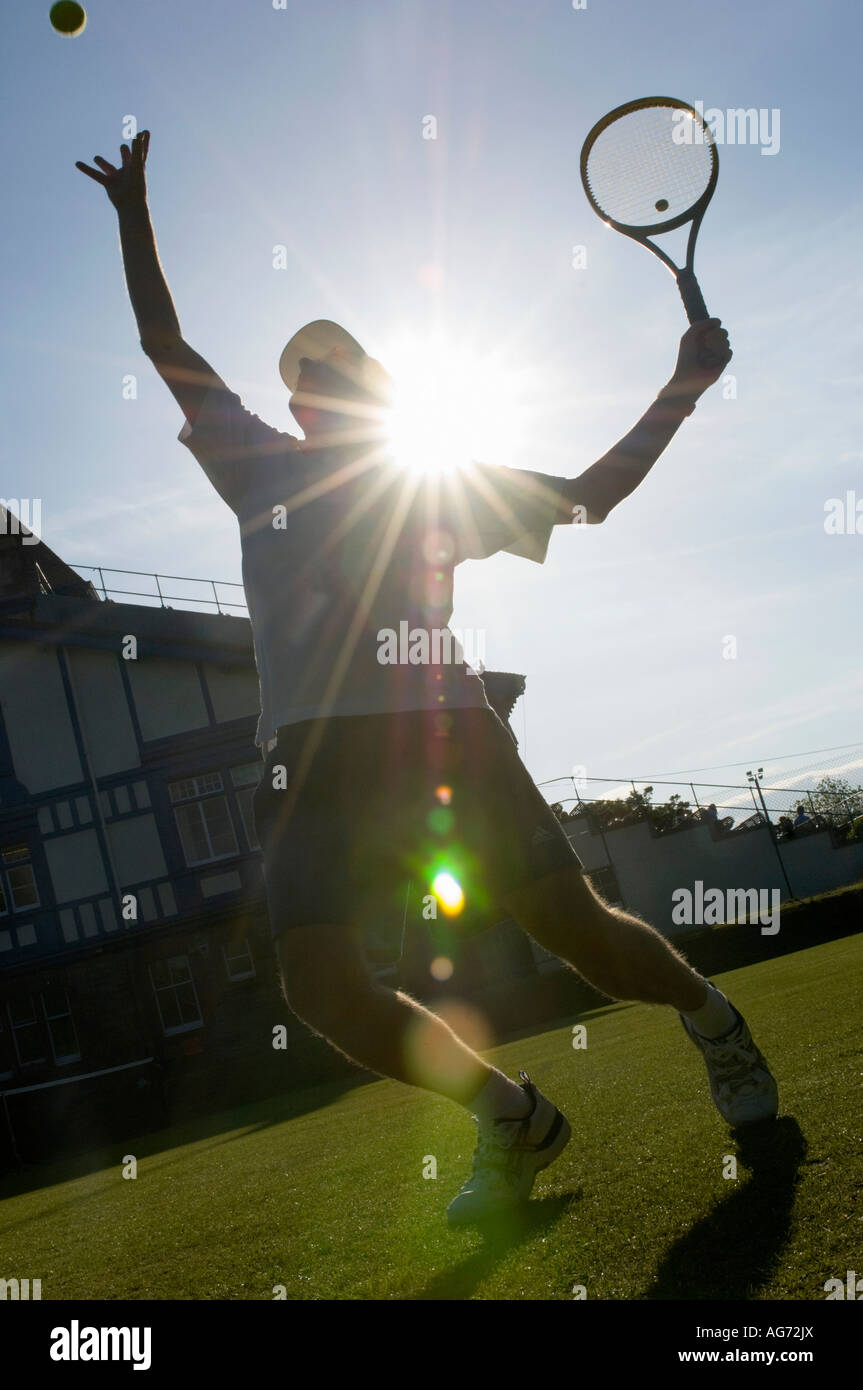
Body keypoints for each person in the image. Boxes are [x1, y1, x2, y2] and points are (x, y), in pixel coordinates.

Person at [77, 130, 779, 1227]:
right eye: (304, 374)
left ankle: (708, 1015)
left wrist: (682, 385)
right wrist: (134, 211)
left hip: (443, 733)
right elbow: (162, 336)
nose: (318, 383)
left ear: (372, 387)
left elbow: (592, 495)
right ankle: (511, 1118)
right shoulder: (250, 462)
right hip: (307, 756)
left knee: (576, 933)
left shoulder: (434, 483)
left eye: (338, 367)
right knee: (319, 987)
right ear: (295, 403)